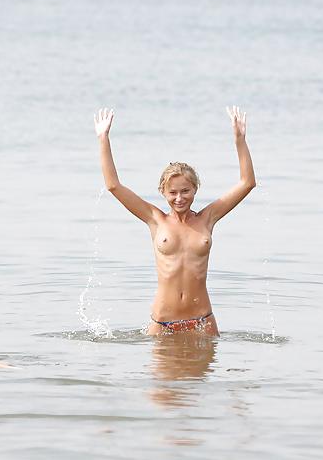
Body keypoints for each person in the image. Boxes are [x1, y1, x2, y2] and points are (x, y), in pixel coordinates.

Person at [94, 106, 256, 336]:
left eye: (185, 191)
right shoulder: (155, 219)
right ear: (163, 192)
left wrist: (240, 140)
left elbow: (247, 182)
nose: (179, 198)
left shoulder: (208, 217)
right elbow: (113, 185)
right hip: (163, 323)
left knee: (206, 374)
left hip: (202, 322)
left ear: (195, 190)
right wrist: (103, 139)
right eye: (173, 193)